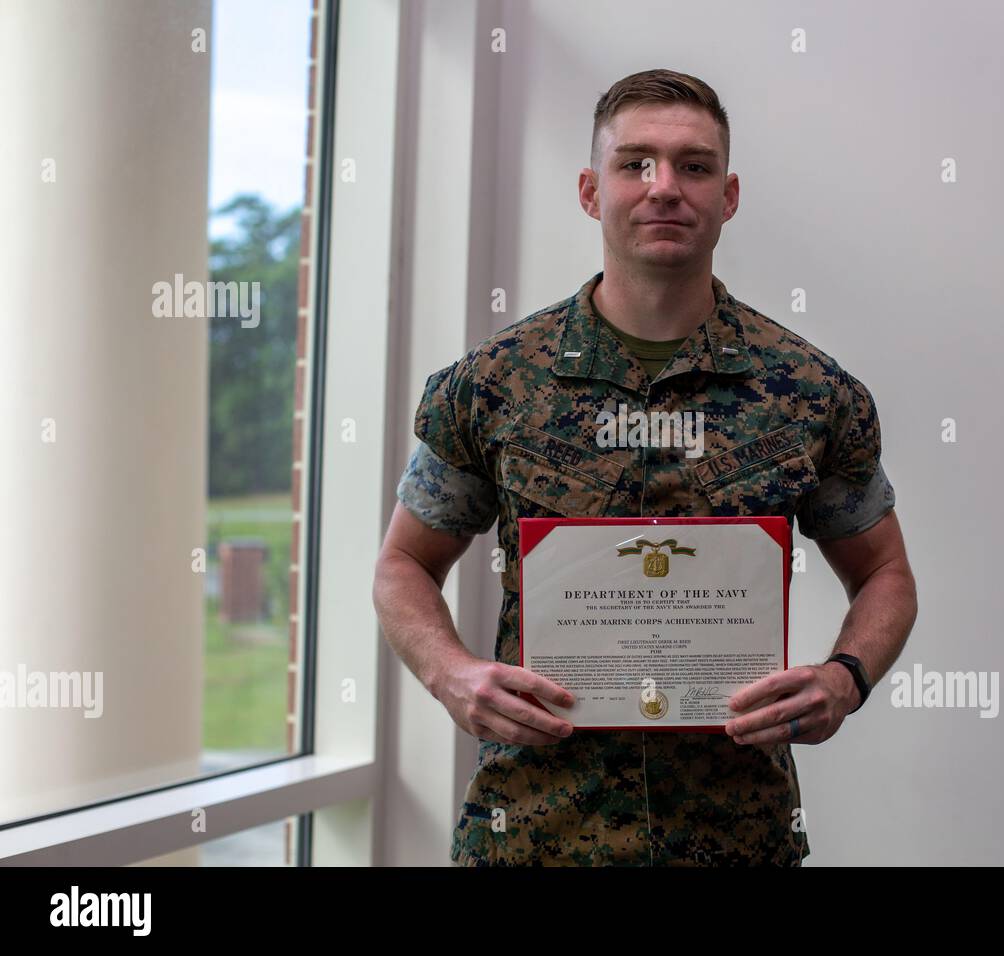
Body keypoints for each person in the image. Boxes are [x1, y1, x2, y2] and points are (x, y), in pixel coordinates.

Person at [372, 68, 917, 866]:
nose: (665, 187)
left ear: (727, 197)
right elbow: (402, 564)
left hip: (737, 839)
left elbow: (887, 574)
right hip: (535, 833)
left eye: (693, 166)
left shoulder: (809, 392)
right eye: (637, 164)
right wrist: (450, 674)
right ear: (592, 192)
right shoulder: (493, 385)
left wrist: (845, 678)